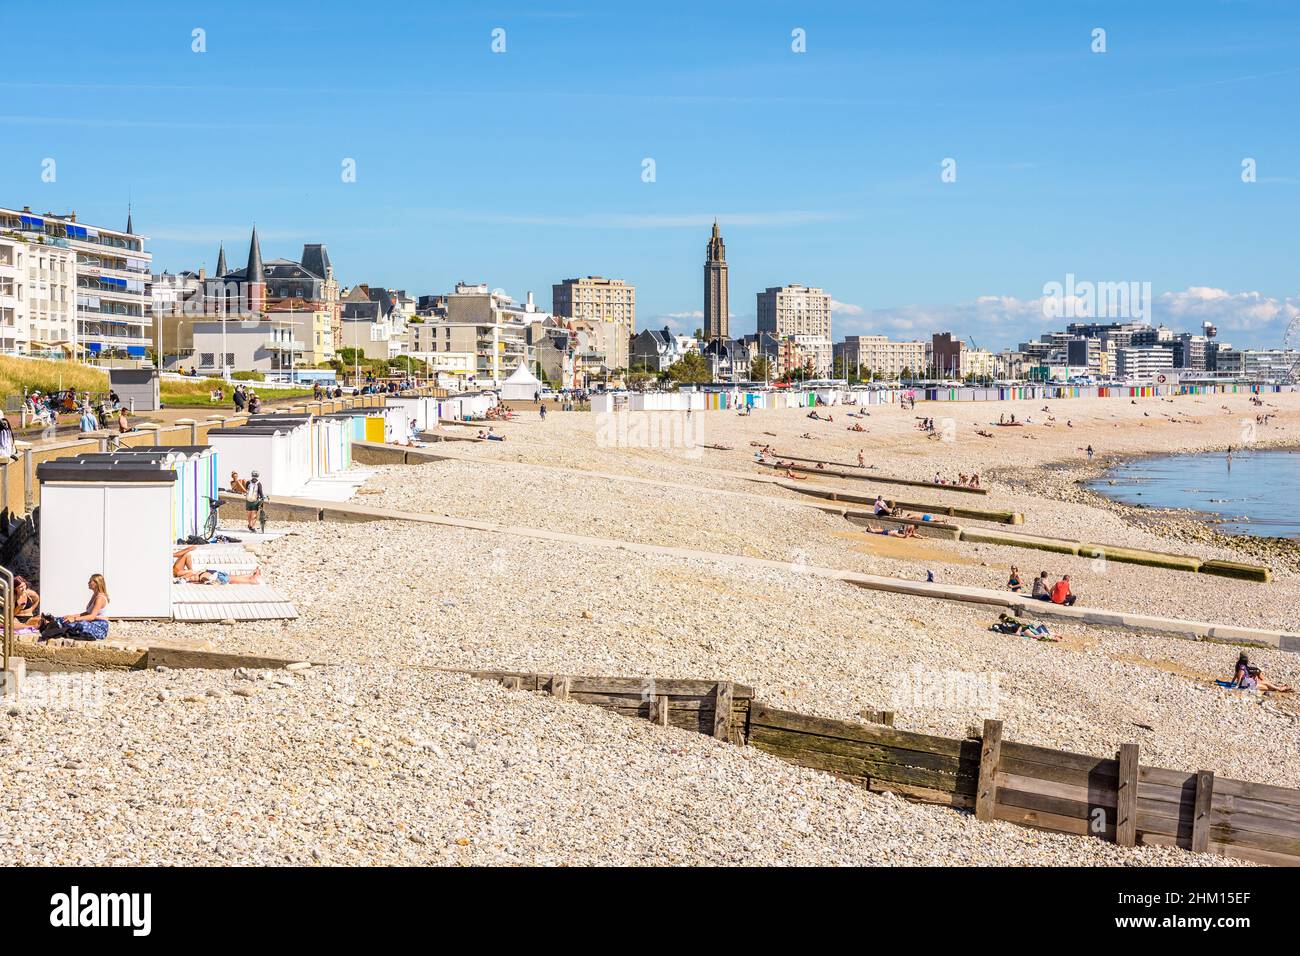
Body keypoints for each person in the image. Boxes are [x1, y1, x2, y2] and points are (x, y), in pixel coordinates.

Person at [44, 574, 110, 641]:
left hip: (99, 628)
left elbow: (92, 616)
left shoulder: (100, 598)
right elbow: (87, 613)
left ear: (97, 583)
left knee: (78, 624)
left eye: (90, 581)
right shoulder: (95, 595)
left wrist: (74, 619)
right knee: (65, 619)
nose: (88, 583)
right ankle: (50, 622)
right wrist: (71, 616)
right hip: (92, 623)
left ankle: (53, 625)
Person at [172, 546, 262, 585]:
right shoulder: (187, 576)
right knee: (229, 578)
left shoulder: (188, 575)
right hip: (209, 576)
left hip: (207, 574)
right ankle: (251, 580)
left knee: (229, 577)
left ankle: (250, 576)